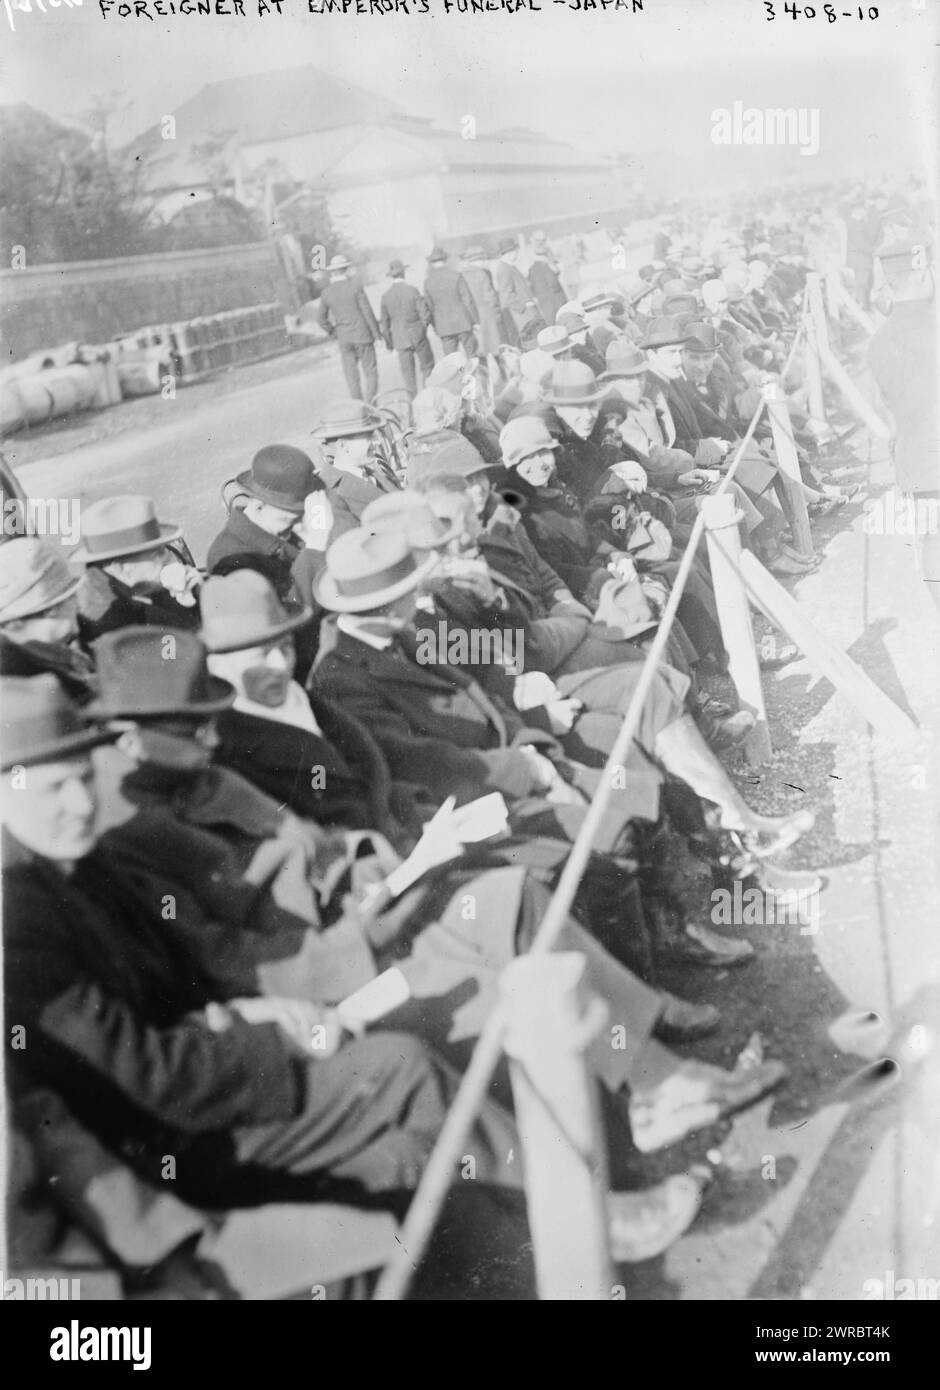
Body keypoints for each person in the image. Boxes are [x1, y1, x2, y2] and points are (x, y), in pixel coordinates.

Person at [74, 494, 201, 646]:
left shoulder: (123, 589)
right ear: (121, 566)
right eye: (158, 552)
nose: (168, 556)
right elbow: (178, 654)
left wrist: (191, 599)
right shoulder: (108, 617)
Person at [0, 536, 94, 699]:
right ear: (52, 608)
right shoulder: (20, 677)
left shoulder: (47, 659)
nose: (78, 603)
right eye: (71, 594)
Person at [315, 253, 381, 402]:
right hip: (362, 335)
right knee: (370, 372)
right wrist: (377, 335)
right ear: (345, 269)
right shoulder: (355, 286)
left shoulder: (327, 292)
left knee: (351, 376)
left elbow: (320, 319)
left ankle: (359, 410)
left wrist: (333, 331)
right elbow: (367, 311)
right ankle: (371, 407)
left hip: (344, 338)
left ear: (333, 271)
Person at [379, 259, 434, 397]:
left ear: (391, 276)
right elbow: (425, 314)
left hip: (400, 339)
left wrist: (390, 344)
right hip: (418, 335)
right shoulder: (412, 290)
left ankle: (413, 406)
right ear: (403, 273)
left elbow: (384, 324)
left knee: (408, 376)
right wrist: (422, 328)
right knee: (427, 367)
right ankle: (428, 398)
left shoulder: (385, 296)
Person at [423, 247, 478, 355]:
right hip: (463, 323)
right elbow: (468, 300)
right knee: (472, 355)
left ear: (432, 264)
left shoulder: (427, 282)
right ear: (444, 260)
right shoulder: (456, 275)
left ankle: (460, 371)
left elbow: (429, 308)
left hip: (444, 328)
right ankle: (471, 372)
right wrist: (475, 321)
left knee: (452, 360)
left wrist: (435, 326)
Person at [460, 247, 504, 365]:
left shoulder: (461, 275)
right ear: (477, 260)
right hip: (487, 314)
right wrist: (497, 312)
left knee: (478, 351)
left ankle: (483, 377)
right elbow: (490, 296)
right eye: (482, 259)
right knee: (494, 348)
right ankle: (500, 376)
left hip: (471, 317)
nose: (484, 262)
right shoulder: (481, 273)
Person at [495, 236, 541, 346]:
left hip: (526, 312)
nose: (517, 253)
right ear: (510, 252)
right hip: (523, 314)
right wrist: (524, 305)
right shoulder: (504, 268)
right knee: (532, 342)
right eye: (515, 251)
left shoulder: (509, 266)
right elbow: (506, 295)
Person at [527, 232, 567, 327]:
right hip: (553, 294)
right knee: (560, 318)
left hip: (542, 296)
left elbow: (529, 282)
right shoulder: (544, 256)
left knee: (551, 320)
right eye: (540, 241)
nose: (542, 243)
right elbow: (554, 277)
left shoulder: (532, 257)